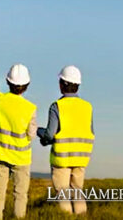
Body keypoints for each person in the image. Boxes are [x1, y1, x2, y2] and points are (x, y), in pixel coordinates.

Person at [37, 65, 94, 215]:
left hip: (62, 159)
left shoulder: (57, 106)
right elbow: (90, 132)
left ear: (62, 84)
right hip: (81, 158)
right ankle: (82, 217)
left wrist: (39, 132)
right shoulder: (87, 107)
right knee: (78, 192)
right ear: (78, 85)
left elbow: (49, 135)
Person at [0, 63, 37, 219]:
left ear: (8, 82)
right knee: (20, 194)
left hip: (0, 155)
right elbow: (31, 134)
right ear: (27, 85)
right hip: (21, 158)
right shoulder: (30, 108)